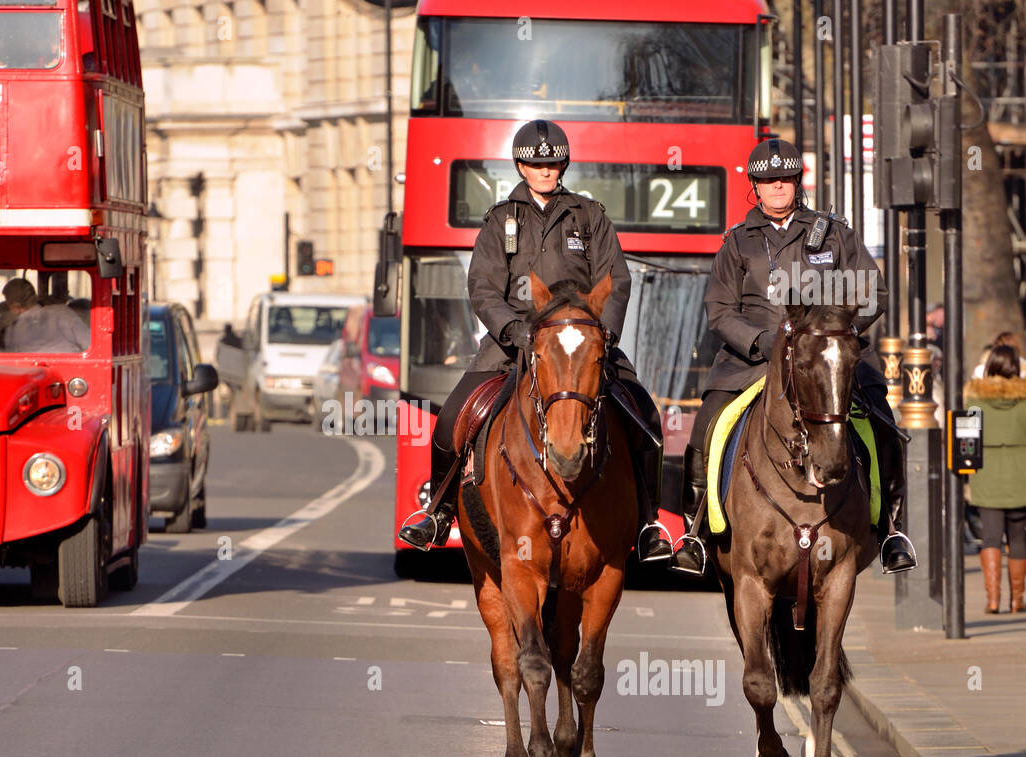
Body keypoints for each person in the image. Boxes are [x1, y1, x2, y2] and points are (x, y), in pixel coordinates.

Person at [398, 119, 674, 563]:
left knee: (645, 417)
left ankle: (647, 523)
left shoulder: (589, 216)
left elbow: (616, 281)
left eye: (553, 163)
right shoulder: (500, 220)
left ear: (563, 165)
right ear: (521, 167)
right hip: (513, 345)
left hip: (581, 344)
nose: (545, 170)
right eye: (536, 163)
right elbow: (483, 287)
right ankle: (438, 511)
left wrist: (602, 334)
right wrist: (515, 330)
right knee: (451, 420)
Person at [669, 138, 918, 576]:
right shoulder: (738, 243)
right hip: (753, 361)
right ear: (756, 186)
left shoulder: (834, 232)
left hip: (827, 359)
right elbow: (720, 311)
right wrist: (762, 342)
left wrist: (837, 337)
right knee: (706, 425)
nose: (778, 187)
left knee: (883, 422)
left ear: (796, 183)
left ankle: (893, 528)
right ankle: (694, 531)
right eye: (768, 180)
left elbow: (873, 293)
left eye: (785, 178)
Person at [966, 344, 1026, 613]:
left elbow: (967, 442)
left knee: (990, 537)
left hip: (987, 475)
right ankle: (1017, 599)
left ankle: (993, 599)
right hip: (1020, 474)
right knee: (1018, 538)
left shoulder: (976, 401)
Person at [1, 278, 89, 353]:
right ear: (33, 296)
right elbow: (89, 343)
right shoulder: (62, 313)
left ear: (14, 306)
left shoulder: (12, 330)